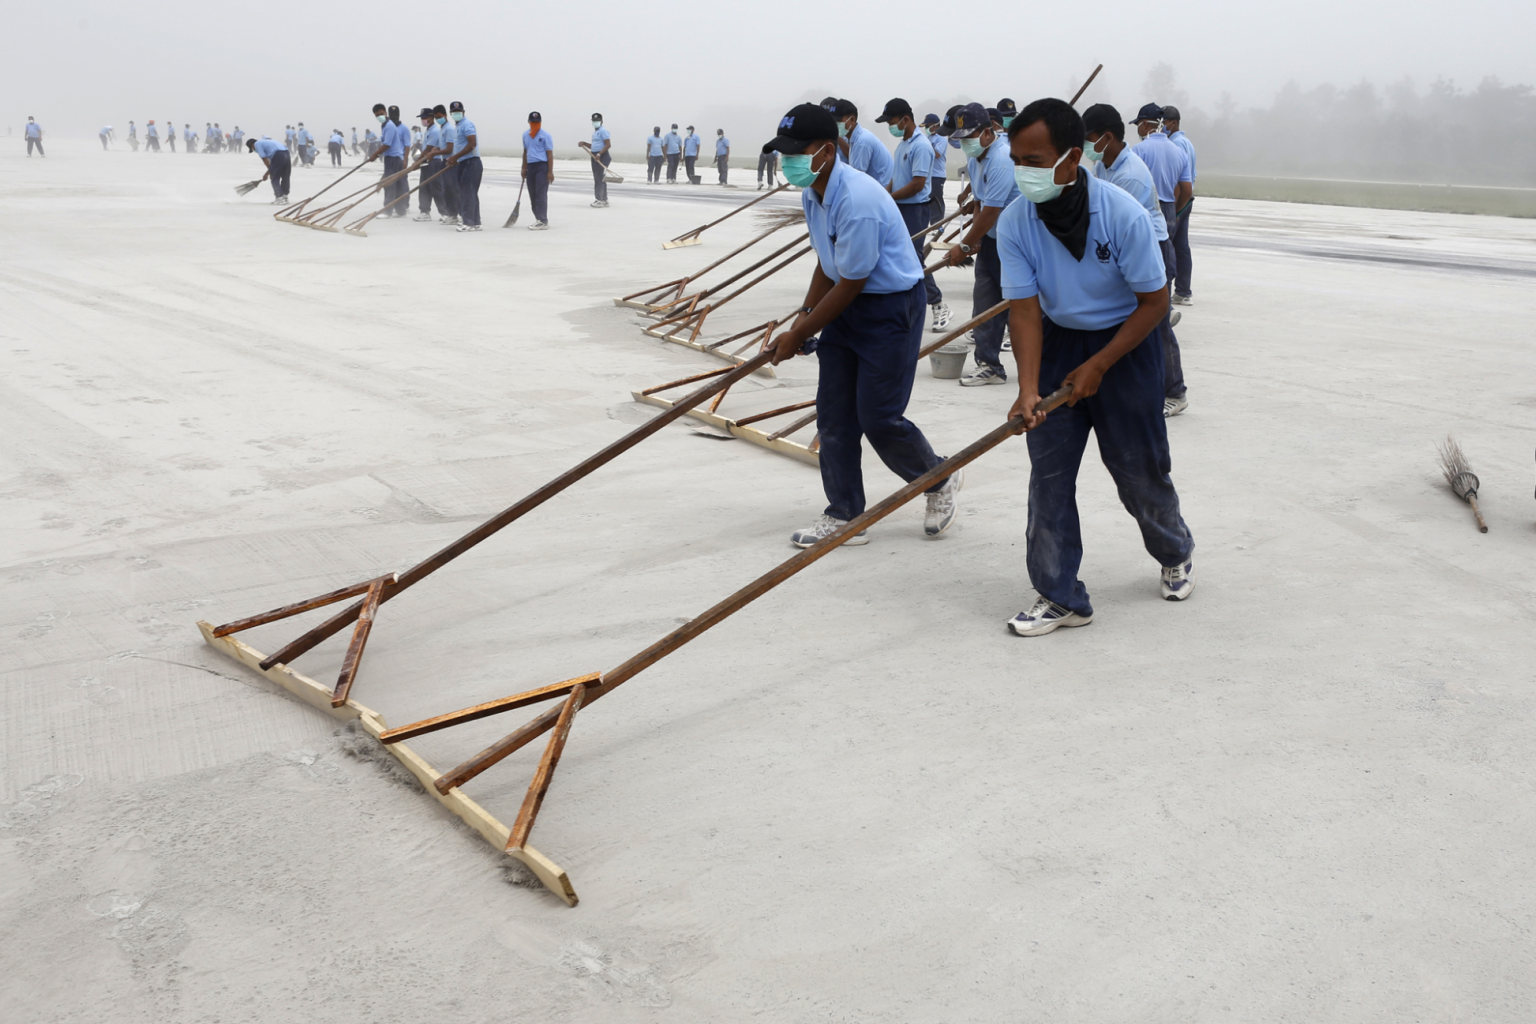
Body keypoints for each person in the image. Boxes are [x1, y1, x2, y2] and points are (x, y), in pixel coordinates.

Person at [993, 97, 1195, 636]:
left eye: (1035, 161)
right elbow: (1025, 309)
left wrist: (1100, 365)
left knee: (1137, 469)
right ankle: (1059, 594)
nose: (1023, 173)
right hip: (1059, 339)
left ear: (1072, 158)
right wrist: (1028, 388)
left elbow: (1155, 304)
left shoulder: (1121, 213)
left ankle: (1174, 549)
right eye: (1017, 160)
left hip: (1126, 344)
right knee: (1049, 474)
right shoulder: (1016, 221)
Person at [761, 102, 962, 549]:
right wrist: (803, 319)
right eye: (783, 152)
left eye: (797, 151)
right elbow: (827, 263)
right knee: (834, 415)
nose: (787, 160)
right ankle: (845, 512)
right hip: (845, 304)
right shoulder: (813, 191)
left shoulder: (859, 199)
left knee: (880, 417)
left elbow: (852, 282)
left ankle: (939, 478)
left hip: (888, 310)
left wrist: (799, 333)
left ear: (827, 151)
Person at [1082, 103, 1188, 417]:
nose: (1087, 147)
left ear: (1107, 137)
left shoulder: (1130, 175)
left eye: (1090, 139)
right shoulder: (1106, 164)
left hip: (1151, 248)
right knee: (1123, 320)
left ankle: (1175, 391)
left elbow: (1113, 223)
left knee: (1154, 324)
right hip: (1125, 243)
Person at [940, 102, 1021, 386]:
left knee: (1017, 306)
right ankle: (989, 365)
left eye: (971, 137)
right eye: (962, 139)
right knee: (985, 301)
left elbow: (992, 211)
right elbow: (980, 202)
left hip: (1015, 243)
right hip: (992, 239)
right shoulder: (976, 159)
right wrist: (976, 239)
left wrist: (963, 245)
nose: (966, 144)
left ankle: (1038, 368)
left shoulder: (1002, 158)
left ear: (988, 132)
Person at [1131, 102, 1193, 413]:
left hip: (1145, 215)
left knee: (1148, 308)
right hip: (1168, 211)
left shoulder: (1139, 152)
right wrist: (1177, 214)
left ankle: (1171, 389)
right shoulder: (1178, 150)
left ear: (1145, 125)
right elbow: (1186, 188)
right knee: (1162, 282)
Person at [876, 98, 948, 332]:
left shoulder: (921, 146)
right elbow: (897, 179)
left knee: (913, 259)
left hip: (915, 210)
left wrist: (891, 197)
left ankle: (937, 304)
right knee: (897, 257)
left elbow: (917, 184)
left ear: (906, 119)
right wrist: (881, 196)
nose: (890, 126)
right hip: (900, 207)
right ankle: (904, 306)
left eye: (892, 121)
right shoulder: (903, 145)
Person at [1161, 105, 1196, 306]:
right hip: (1186, 199)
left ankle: (1174, 289)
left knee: (1171, 246)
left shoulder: (1176, 144)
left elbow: (1180, 181)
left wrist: (1175, 208)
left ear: (1173, 123)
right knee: (1182, 246)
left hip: (1180, 199)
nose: (1162, 126)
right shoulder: (1186, 142)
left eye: (1164, 122)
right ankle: (1183, 290)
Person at [827, 98, 893, 185]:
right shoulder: (855, 139)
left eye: (839, 121)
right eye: (833, 121)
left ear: (852, 120)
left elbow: (855, 179)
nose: (835, 125)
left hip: (881, 191)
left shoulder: (862, 142)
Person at [367, 103, 408, 218]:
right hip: (394, 158)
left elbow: (387, 144)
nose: (379, 116)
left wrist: (374, 155)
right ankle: (400, 210)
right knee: (396, 183)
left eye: (381, 113)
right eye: (377, 115)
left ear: (385, 112)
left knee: (389, 184)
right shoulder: (384, 125)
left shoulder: (389, 126)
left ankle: (388, 211)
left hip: (393, 158)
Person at [446, 100, 481, 231]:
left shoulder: (467, 124)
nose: (456, 114)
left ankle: (468, 222)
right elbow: (459, 146)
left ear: (463, 112)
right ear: (451, 114)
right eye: (454, 112)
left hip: (471, 162)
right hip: (463, 162)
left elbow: (472, 144)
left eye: (458, 112)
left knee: (468, 193)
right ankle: (476, 222)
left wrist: (455, 157)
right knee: (470, 193)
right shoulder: (457, 127)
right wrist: (454, 159)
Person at [521, 111, 554, 230]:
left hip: (542, 166)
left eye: (537, 122)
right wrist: (523, 168)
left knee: (541, 194)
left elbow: (549, 155)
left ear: (540, 122)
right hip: (530, 167)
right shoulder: (525, 135)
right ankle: (538, 219)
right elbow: (525, 152)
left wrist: (550, 172)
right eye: (533, 122)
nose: (535, 124)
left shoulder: (546, 135)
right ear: (529, 122)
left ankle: (543, 220)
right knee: (533, 194)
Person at [431, 105, 459, 224]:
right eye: (436, 117)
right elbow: (443, 146)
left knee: (453, 189)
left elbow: (449, 149)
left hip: (451, 162)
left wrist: (435, 152)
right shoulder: (442, 128)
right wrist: (436, 149)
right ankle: (451, 214)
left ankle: (457, 214)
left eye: (439, 117)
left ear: (445, 115)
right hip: (445, 161)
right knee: (446, 189)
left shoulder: (449, 129)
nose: (438, 119)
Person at [579, 111, 612, 208]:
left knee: (599, 179)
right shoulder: (595, 133)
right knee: (600, 178)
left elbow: (608, 144)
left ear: (601, 121)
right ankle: (604, 199)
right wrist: (584, 143)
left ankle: (599, 200)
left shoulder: (603, 131)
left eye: (597, 120)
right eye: (594, 120)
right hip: (595, 155)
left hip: (602, 156)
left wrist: (599, 154)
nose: (595, 122)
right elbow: (594, 146)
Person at [247, 135, 292, 204]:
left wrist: (269, 173)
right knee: (285, 176)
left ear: (252, 145)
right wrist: (270, 171)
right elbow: (272, 164)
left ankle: (280, 198)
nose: (254, 150)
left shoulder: (257, 144)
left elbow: (264, 159)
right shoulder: (267, 142)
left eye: (252, 148)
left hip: (278, 155)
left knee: (274, 178)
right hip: (286, 153)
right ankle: (285, 197)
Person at [922, 113, 947, 231]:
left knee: (936, 199)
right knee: (927, 199)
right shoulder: (929, 138)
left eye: (928, 126)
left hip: (938, 175)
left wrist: (924, 145)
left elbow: (936, 154)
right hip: (928, 174)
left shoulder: (942, 137)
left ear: (936, 125)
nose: (926, 129)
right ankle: (929, 224)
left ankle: (937, 225)